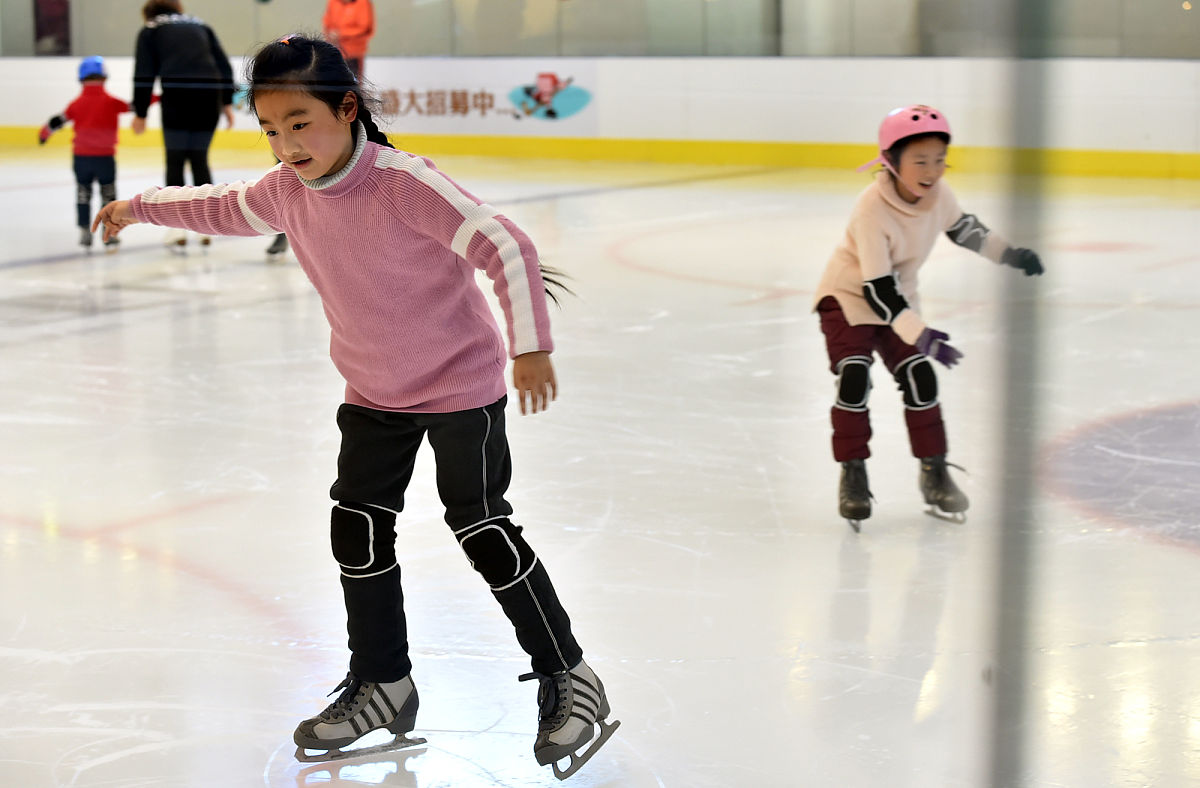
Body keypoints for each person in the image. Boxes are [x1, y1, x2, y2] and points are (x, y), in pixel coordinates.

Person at [93, 34, 618, 778]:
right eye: (271, 129)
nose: (285, 145)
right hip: (373, 391)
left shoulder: (403, 183)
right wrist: (138, 207)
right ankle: (383, 683)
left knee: (482, 525)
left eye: (300, 123)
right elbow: (218, 205)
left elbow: (503, 245)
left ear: (347, 108)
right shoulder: (285, 190)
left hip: (460, 387)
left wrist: (529, 346)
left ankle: (570, 675)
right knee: (358, 532)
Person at [813, 104, 1044, 528]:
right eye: (919, 160)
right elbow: (877, 289)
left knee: (920, 376)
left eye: (940, 160)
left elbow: (965, 230)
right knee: (854, 374)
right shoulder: (871, 208)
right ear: (891, 161)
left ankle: (934, 472)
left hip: (897, 299)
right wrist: (921, 334)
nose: (932, 170)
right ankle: (853, 474)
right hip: (849, 298)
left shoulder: (939, 195)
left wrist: (1011, 254)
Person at [132, 0, 235, 252]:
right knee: (199, 159)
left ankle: (176, 225)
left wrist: (141, 111)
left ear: (149, 12)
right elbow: (223, 65)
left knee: (175, 160)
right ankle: (206, 225)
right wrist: (227, 102)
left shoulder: (151, 29)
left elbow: (144, 72)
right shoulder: (200, 25)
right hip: (208, 99)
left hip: (177, 99)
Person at [38, 56, 138, 251]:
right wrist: (158, 97)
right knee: (108, 194)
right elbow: (135, 106)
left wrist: (43, 135)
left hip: (81, 157)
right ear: (105, 78)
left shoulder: (75, 104)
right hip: (105, 158)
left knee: (83, 193)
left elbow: (56, 122)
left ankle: (85, 231)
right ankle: (109, 233)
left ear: (81, 79)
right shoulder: (112, 102)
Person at [323, 0, 374, 81]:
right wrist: (330, 35)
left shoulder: (362, 3)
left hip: (353, 52)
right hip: (334, 51)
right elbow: (327, 23)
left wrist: (341, 34)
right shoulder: (333, 2)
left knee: (353, 84)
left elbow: (364, 28)